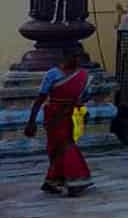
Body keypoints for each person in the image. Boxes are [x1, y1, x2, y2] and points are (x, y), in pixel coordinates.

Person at [22, 56, 93, 196]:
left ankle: (64, 180)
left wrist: (31, 121)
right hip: (59, 115)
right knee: (57, 147)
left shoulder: (76, 75)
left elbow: (41, 98)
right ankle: (59, 180)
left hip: (64, 115)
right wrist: (31, 121)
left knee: (63, 146)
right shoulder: (73, 75)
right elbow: (40, 98)